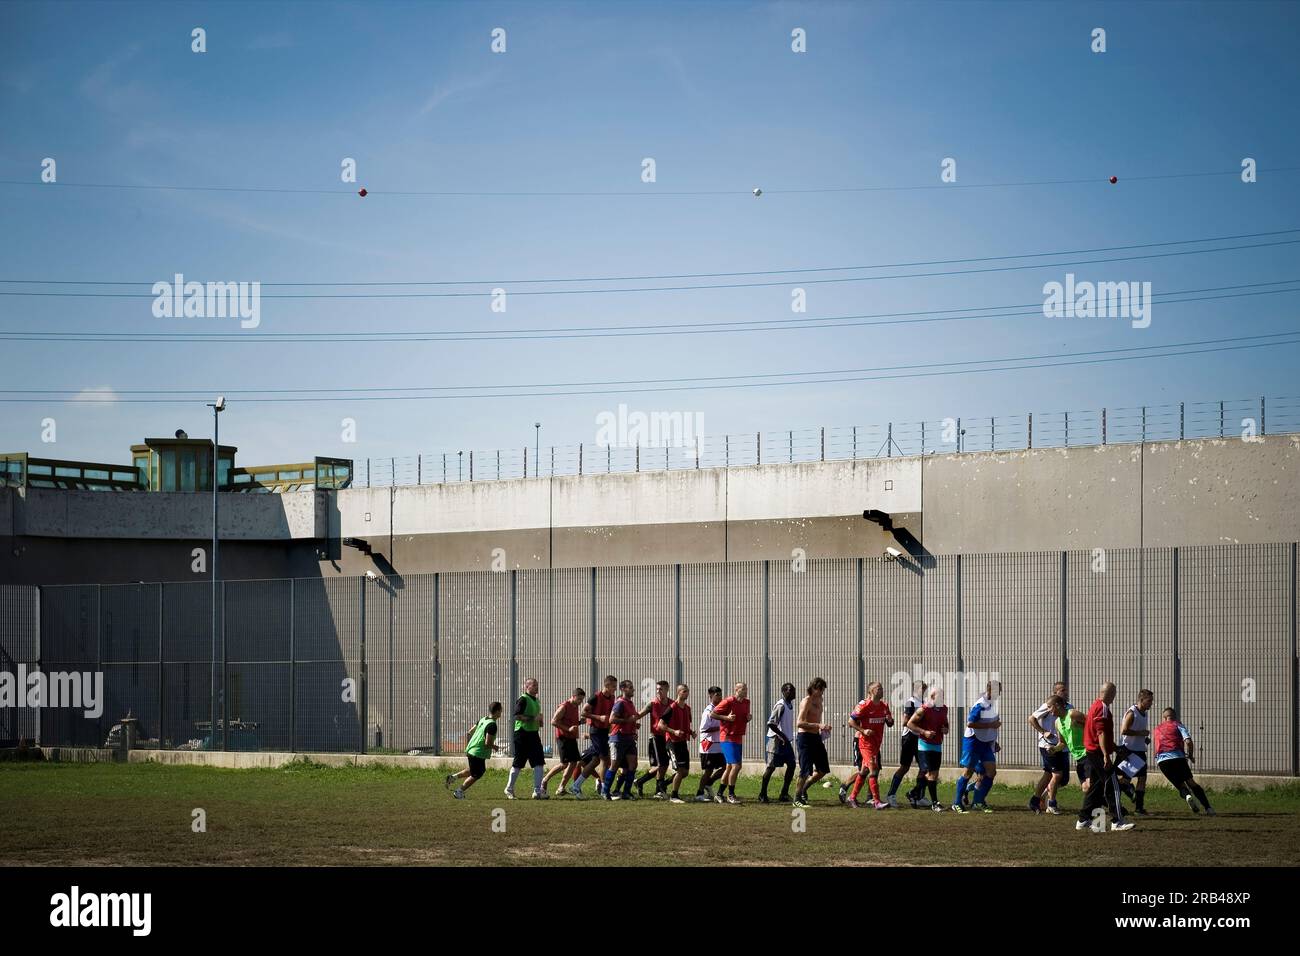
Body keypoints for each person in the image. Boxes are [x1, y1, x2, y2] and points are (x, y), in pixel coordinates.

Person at [1074, 682, 1135, 832]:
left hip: (1092, 751)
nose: (1115, 696)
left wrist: (1115, 748)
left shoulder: (1096, 705)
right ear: (1109, 693)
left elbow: (1101, 734)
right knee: (1112, 784)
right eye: (1114, 693)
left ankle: (1083, 820)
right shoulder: (1102, 708)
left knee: (1095, 787)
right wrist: (1107, 755)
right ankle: (1117, 821)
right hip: (1097, 753)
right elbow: (1100, 733)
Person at [1153, 707, 1215, 816]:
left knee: (1180, 784)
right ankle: (1208, 808)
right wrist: (1190, 755)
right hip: (1177, 757)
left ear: (1164, 718)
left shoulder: (1157, 729)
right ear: (1174, 717)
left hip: (1162, 761)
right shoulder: (1178, 725)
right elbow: (1189, 742)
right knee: (1191, 782)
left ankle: (1187, 796)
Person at [954, 680, 1001, 813]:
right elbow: (970, 723)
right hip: (973, 742)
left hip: (986, 743)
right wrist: (991, 726)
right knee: (968, 772)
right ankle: (956, 803)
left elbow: (991, 723)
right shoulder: (980, 704)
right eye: (997, 691)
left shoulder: (992, 704)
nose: (998, 694)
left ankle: (978, 802)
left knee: (991, 772)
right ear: (990, 690)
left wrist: (993, 740)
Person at [846, 681, 894, 809]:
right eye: (878, 688)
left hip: (876, 743)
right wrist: (863, 730)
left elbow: (890, 722)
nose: (882, 690)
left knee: (864, 771)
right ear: (872, 691)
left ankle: (852, 797)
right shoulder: (864, 705)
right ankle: (877, 801)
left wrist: (890, 721)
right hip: (865, 743)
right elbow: (851, 721)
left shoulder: (884, 706)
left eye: (882, 688)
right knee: (874, 769)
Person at [571, 674, 617, 797]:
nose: (615, 689)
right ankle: (604, 789)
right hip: (596, 731)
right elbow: (583, 712)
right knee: (604, 759)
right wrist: (598, 717)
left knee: (596, 760)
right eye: (613, 686)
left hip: (604, 732)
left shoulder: (612, 698)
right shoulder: (595, 697)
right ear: (606, 685)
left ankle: (576, 785)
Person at [604, 680, 651, 800]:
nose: (633, 690)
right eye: (630, 688)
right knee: (614, 765)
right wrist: (627, 721)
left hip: (629, 739)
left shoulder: (630, 703)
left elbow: (631, 718)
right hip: (618, 738)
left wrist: (634, 726)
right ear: (623, 689)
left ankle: (626, 792)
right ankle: (605, 792)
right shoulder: (620, 703)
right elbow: (612, 719)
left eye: (632, 687)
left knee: (633, 765)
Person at [904, 687, 949, 812]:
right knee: (931, 774)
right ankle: (935, 803)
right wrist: (924, 732)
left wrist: (945, 729)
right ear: (933, 696)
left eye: (943, 695)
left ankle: (913, 793)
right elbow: (909, 724)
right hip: (924, 745)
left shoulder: (944, 709)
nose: (942, 698)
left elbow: (946, 724)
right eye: (940, 695)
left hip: (937, 744)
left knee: (933, 774)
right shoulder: (924, 709)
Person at [446, 701, 503, 799]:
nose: (501, 712)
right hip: (478, 752)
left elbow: (470, 732)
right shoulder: (492, 725)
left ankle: (453, 777)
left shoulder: (483, 719)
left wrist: (470, 745)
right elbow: (487, 743)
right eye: (501, 710)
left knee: (473, 770)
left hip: (471, 749)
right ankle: (459, 791)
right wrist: (495, 747)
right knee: (477, 773)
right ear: (497, 711)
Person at [792, 678, 833, 808]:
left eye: (823, 690)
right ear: (814, 688)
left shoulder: (820, 700)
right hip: (805, 738)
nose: (822, 692)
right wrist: (818, 725)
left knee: (822, 769)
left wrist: (823, 728)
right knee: (805, 770)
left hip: (816, 737)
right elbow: (799, 723)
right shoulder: (807, 701)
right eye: (820, 689)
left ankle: (804, 789)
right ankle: (797, 798)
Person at [505, 677, 548, 800]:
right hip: (522, 734)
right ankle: (509, 789)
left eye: (537, 685)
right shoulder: (522, 699)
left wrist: (540, 721)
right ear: (527, 687)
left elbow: (537, 719)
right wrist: (532, 718)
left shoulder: (537, 701)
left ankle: (537, 791)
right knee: (519, 763)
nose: (536, 687)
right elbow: (517, 716)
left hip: (533, 734)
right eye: (534, 685)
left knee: (539, 762)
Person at [1028, 694, 1070, 814]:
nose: (1064, 692)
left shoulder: (1070, 709)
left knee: (1060, 778)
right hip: (1048, 746)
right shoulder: (1048, 706)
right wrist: (1043, 732)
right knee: (1057, 775)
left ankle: (1036, 799)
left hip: (1063, 747)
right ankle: (1051, 804)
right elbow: (1031, 718)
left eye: (1065, 690)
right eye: (1061, 690)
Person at [711, 682, 752, 804]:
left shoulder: (746, 702)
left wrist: (748, 718)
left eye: (746, 689)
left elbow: (742, 717)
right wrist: (726, 718)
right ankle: (731, 794)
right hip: (727, 737)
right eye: (743, 689)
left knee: (729, 767)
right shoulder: (728, 701)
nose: (745, 691)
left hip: (738, 736)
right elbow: (712, 714)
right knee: (736, 766)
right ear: (736, 690)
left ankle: (719, 794)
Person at [888, 681, 927, 808]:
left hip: (920, 738)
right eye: (922, 689)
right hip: (909, 738)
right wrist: (920, 724)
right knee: (905, 767)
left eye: (925, 689)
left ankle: (918, 796)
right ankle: (891, 795)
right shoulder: (910, 702)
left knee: (924, 768)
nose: (924, 691)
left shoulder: (923, 703)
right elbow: (905, 722)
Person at [541, 687, 585, 798]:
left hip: (571, 738)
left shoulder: (575, 707)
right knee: (564, 764)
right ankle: (545, 780)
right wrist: (568, 729)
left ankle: (561, 788)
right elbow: (553, 721)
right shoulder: (564, 706)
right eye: (579, 699)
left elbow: (571, 722)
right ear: (573, 696)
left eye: (582, 700)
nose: (580, 702)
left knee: (574, 762)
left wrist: (580, 722)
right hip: (563, 738)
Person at [1116, 690, 1154, 816]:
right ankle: (1111, 800)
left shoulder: (1144, 713)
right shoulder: (1132, 713)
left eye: (1151, 701)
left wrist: (1144, 738)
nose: (1151, 704)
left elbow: (1138, 731)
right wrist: (1141, 734)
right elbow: (1124, 730)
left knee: (1142, 778)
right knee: (1125, 780)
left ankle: (1139, 808)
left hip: (1139, 750)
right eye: (1149, 701)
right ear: (1141, 700)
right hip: (1129, 751)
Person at [759, 682, 798, 804]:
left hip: (785, 742)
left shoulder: (789, 705)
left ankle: (784, 793)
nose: (793, 692)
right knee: (771, 768)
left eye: (793, 690)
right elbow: (771, 723)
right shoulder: (780, 705)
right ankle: (762, 794)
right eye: (790, 690)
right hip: (775, 741)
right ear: (784, 692)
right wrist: (781, 735)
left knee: (791, 765)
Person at [656, 683, 695, 803]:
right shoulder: (672, 707)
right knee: (679, 770)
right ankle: (674, 795)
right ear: (678, 692)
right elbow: (660, 725)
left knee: (685, 772)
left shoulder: (687, 708)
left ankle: (663, 785)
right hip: (672, 742)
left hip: (682, 742)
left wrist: (691, 732)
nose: (686, 693)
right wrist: (674, 731)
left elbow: (685, 724)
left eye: (687, 691)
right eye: (684, 691)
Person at [635, 680, 674, 799]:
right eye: (657, 689)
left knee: (663, 765)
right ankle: (659, 790)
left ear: (667, 689)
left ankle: (640, 782)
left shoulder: (672, 704)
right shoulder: (652, 704)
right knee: (662, 764)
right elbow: (638, 715)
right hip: (656, 738)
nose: (658, 691)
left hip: (669, 738)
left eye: (661, 689)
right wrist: (629, 721)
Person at [694, 686, 725, 802]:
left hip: (719, 745)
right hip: (709, 745)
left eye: (720, 694)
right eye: (717, 695)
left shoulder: (721, 709)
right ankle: (699, 793)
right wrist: (720, 727)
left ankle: (709, 783)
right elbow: (704, 729)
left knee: (726, 767)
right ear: (710, 696)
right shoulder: (708, 711)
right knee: (708, 770)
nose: (720, 697)